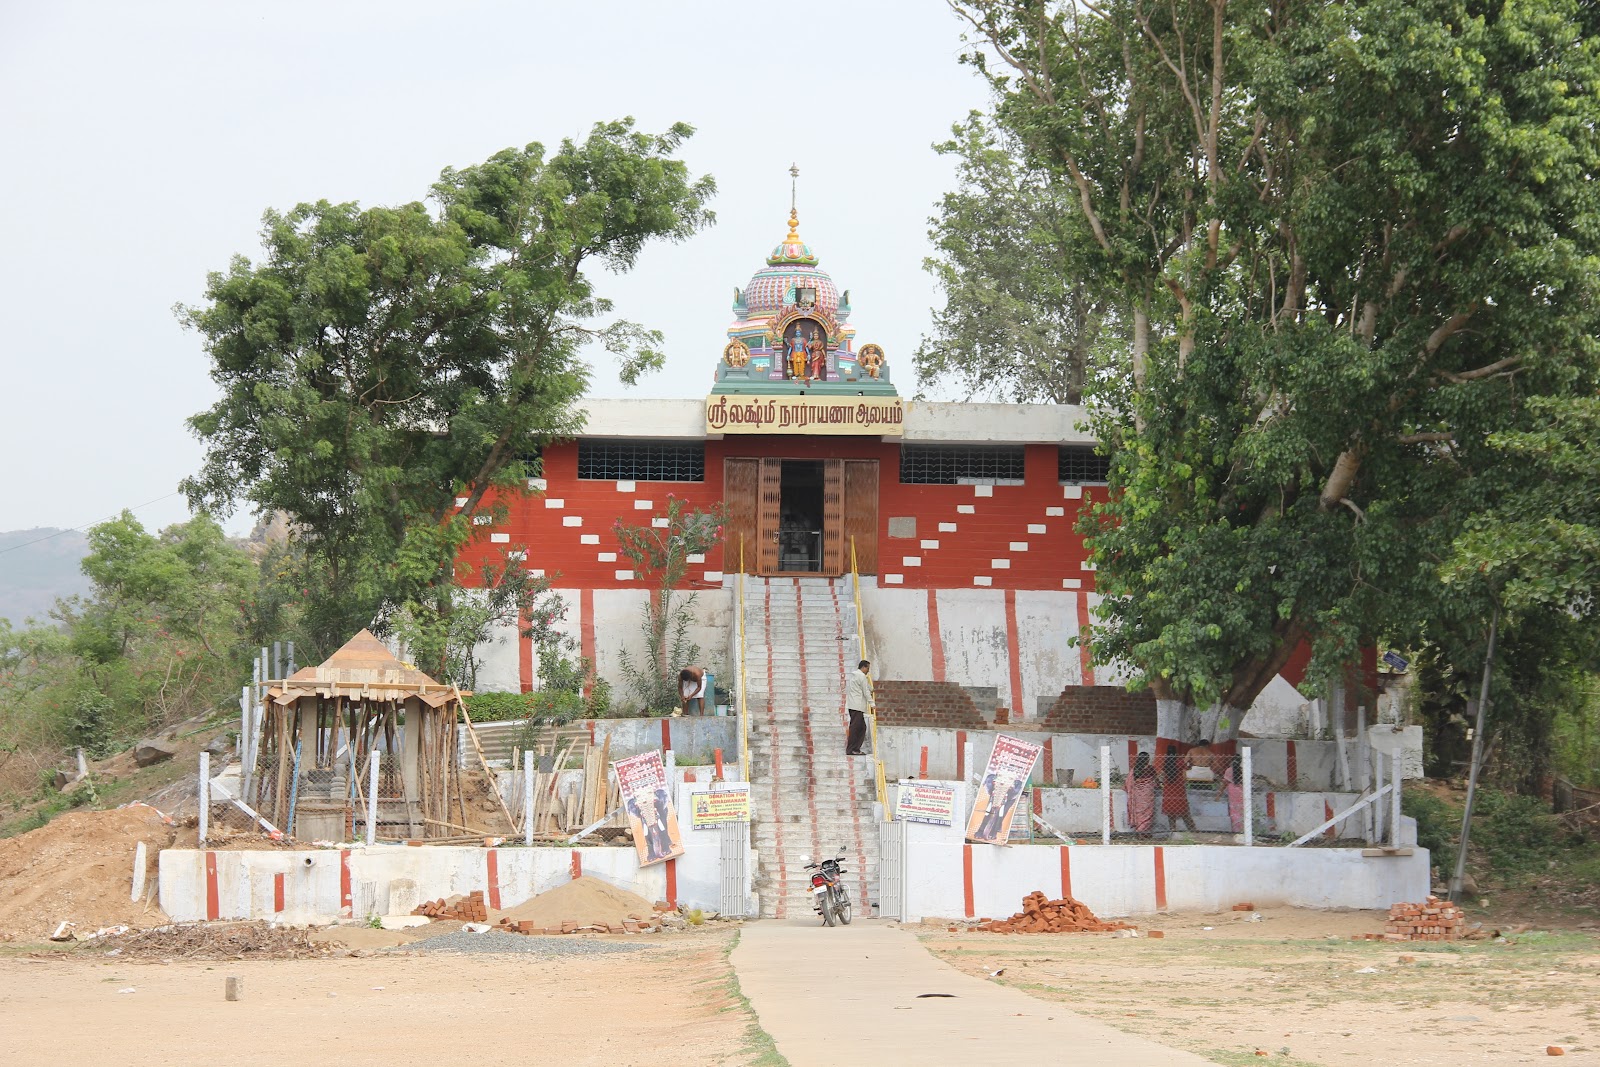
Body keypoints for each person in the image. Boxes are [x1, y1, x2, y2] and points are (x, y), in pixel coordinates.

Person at [1160, 749, 1196, 833]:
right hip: (1179, 789)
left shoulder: (1166, 763)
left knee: (1170, 812)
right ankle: (1192, 830)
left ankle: (1173, 829)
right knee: (1184, 811)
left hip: (1168, 790)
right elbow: (1184, 777)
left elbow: (1162, 775)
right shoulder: (1180, 762)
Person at [845, 659, 873, 755]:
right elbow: (866, 692)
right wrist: (872, 704)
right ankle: (852, 749)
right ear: (863, 667)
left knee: (861, 727)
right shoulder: (861, 677)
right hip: (857, 706)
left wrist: (871, 688)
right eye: (868, 668)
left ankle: (854, 748)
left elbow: (865, 687)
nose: (868, 670)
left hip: (853, 705)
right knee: (857, 728)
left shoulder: (855, 676)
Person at [1126, 751, 1156, 834]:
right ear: (1147, 760)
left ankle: (1139, 830)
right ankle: (1141, 831)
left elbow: (1129, 782)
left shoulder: (1135, 770)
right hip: (1148, 795)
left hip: (1137, 795)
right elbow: (1155, 781)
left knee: (1138, 812)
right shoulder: (1150, 769)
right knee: (1148, 813)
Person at [1221, 752, 1245, 833]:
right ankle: (1243, 828)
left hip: (1232, 790)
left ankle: (1235, 829)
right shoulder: (1243, 770)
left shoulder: (1228, 770)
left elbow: (1225, 783)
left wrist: (1219, 794)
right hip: (1241, 790)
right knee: (1242, 808)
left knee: (1233, 809)